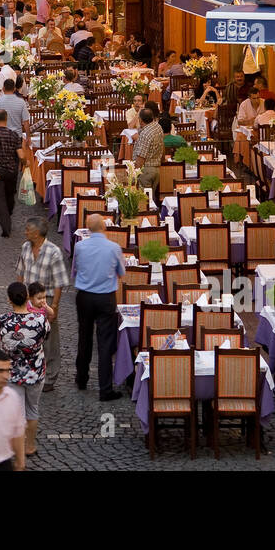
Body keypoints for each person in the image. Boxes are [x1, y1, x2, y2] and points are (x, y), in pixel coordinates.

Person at [74, 213, 125, 400]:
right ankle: (105, 389)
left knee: (84, 337)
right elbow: (121, 272)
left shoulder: (79, 246)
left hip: (85, 296)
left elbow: (76, 269)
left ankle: (81, 378)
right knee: (105, 344)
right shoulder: (114, 248)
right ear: (104, 227)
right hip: (105, 297)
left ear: (88, 228)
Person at [0, 281, 49, 457]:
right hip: (35, 371)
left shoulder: (2, 320)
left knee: (16, 411)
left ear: (9, 300)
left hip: (12, 373)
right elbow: (46, 336)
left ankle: (15, 446)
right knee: (32, 409)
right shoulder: (40, 320)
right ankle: (30, 445)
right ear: (28, 297)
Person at [0, 108, 27, 238]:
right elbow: (20, 155)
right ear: (6, 119)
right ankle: (9, 213)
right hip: (11, 172)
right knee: (9, 196)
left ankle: (5, 226)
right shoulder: (14, 135)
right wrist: (25, 163)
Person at [132, 108, 164, 190]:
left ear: (141, 120)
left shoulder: (145, 135)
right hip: (156, 169)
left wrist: (134, 175)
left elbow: (141, 158)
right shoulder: (158, 127)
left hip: (146, 171)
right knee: (151, 199)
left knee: (144, 200)